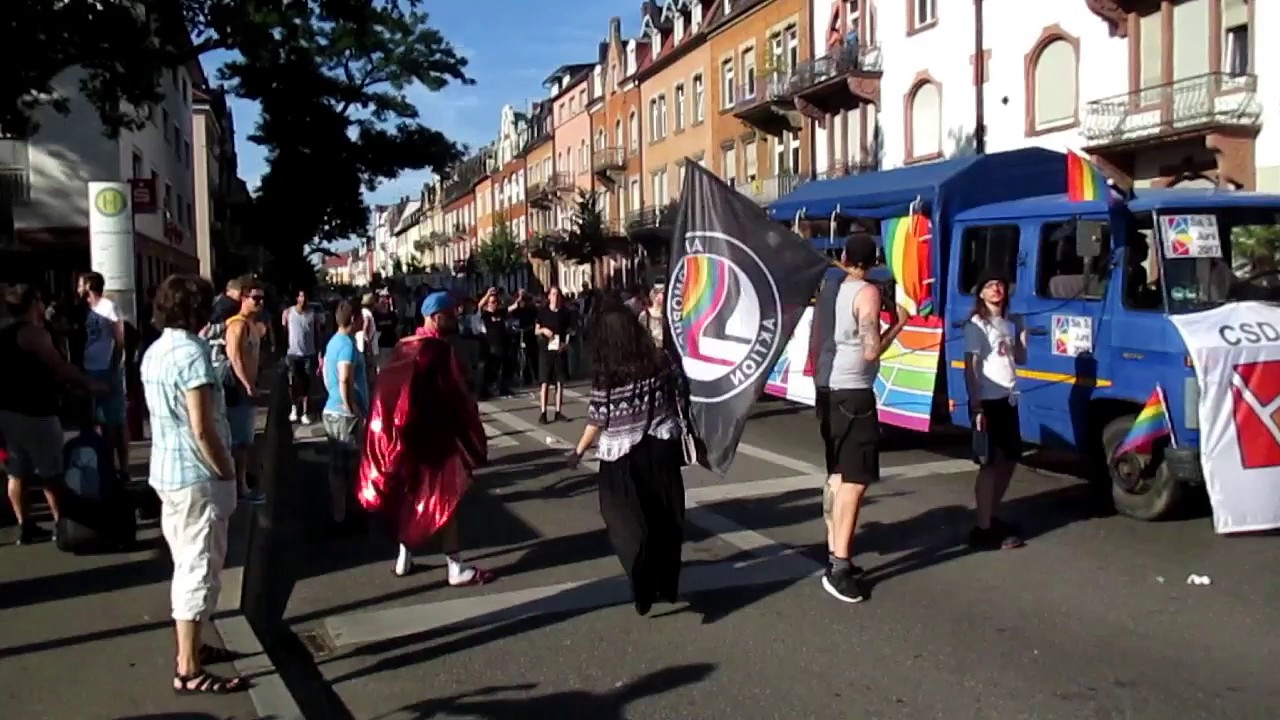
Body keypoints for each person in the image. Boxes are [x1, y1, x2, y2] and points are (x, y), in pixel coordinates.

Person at [140, 274, 246, 695]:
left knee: (187, 559)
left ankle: (194, 646)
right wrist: (227, 469)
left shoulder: (156, 352)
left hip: (168, 471)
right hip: (197, 474)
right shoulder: (191, 356)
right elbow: (202, 427)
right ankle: (188, 666)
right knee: (198, 567)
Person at [566, 294, 685, 616]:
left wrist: (577, 451)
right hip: (661, 447)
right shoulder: (661, 359)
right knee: (665, 517)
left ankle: (640, 574)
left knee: (625, 521)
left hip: (621, 456)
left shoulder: (607, 374)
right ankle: (666, 581)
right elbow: (679, 392)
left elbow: (598, 419)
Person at [376, 291, 495, 585]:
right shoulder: (438, 350)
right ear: (434, 316)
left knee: (410, 496)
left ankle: (404, 557)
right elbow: (456, 394)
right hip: (437, 439)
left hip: (408, 438)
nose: (454, 318)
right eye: (449, 314)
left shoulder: (404, 347)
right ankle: (455, 566)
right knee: (446, 501)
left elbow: (387, 392)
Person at [821, 234, 908, 604]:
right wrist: (899, 323)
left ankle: (833, 553)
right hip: (854, 391)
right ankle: (840, 567)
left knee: (839, 476)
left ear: (843, 256)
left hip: (829, 388)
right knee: (855, 482)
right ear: (874, 261)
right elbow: (871, 350)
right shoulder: (867, 292)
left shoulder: (833, 286)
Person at [0, 284, 107, 544]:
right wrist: (89, 384)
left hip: (8, 412)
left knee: (17, 473)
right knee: (51, 472)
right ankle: (61, 524)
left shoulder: (3, 334)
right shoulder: (34, 335)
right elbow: (59, 367)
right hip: (37, 412)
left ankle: (24, 525)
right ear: (34, 303)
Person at [964, 271, 1027, 551]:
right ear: (981, 294)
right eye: (989, 285)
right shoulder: (977, 325)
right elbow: (971, 366)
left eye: (1000, 285)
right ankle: (982, 528)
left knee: (1009, 460)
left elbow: (1021, 359)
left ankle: (992, 513)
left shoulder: (1009, 323)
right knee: (989, 464)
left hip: (1009, 398)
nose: (996, 289)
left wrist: (1022, 334)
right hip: (987, 401)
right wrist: (975, 403)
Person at [78, 271, 130, 480]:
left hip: (107, 369)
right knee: (97, 420)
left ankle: (123, 467)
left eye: (80, 284)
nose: (78, 289)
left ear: (89, 286)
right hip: (89, 369)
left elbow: (119, 339)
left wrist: (113, 368)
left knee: (115, 421)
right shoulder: (84, 310)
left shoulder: (108, 307)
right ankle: (105, 464)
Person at [322, 301, 368, 530]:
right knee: (350, 467)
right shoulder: (348, 346)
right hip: (344, 414)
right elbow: (345, 379)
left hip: (333, 410)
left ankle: (339, 514)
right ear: (354, 320)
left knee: (338, 466)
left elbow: (326, 375)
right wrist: (352, 408)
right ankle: (346, 514)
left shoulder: (333, 342)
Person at [224, 277, 265, 502]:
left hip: (247, 390)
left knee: (245, 441)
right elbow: (235, 357)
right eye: (255, 298)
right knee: (239, 442)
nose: (259, 303)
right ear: (243, 299)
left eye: (262, 299)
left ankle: (241, 484)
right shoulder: (236, 325)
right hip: (237, 391)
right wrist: (248, 385)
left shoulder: (251, 325)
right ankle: (240, 488)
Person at [282, 289, 320, 424]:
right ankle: (293, 408)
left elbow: (317, 334)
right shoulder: (288, 313)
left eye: (305, 297)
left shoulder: (312, 314)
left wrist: (319, 353)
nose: (303, 300)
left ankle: (305, 412)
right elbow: (284, 333)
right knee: (293, 383)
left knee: (307, 384)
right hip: (293, 354)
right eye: (301, 296)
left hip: (309, 353)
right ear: (297, 298)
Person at [536, 286, 571, 424]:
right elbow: (536, 330)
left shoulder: (564, 313)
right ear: (549, 297)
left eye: (557, 294)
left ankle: (558, 411)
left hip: (559, 350)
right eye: (553, 294)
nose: (555, 297)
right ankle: (543, 412)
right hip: (546, 349)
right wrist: (544, 330)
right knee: (545, 381)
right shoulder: (543, 312)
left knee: (559, 382)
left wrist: (565, 344)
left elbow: (569, 331)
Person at [478, 289, 512, 398]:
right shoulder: (485, 315)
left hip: (503, 343)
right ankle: (487, 390)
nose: (495, 304)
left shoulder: (500, 312)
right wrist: (487, 294)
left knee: (505, 367)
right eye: (492, 302)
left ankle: (503, 387)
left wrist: (518, 298)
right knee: (492, 369)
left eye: (496, 302)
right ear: (488, 303)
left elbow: (512, 307)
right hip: (491, 345)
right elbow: (478, 306)